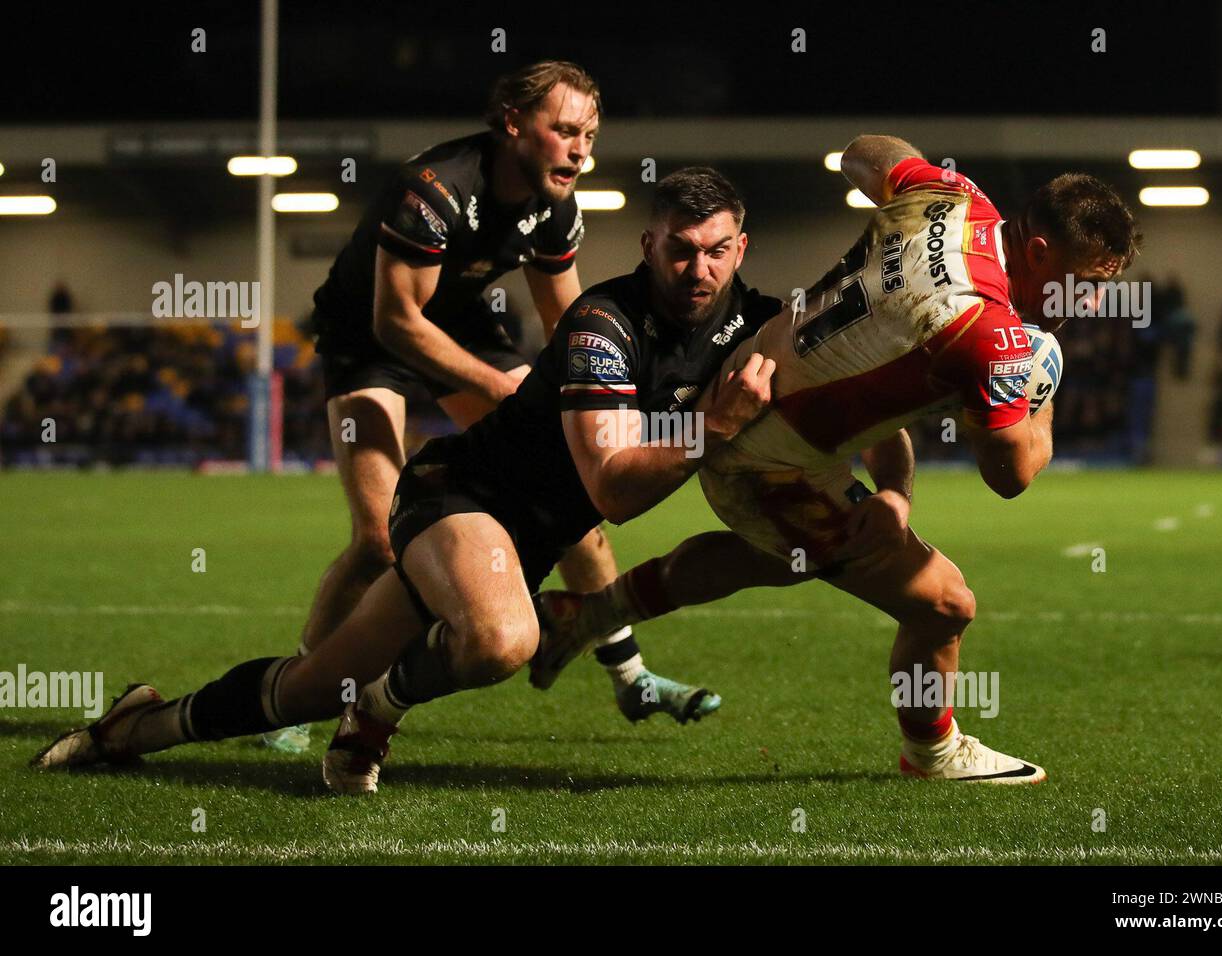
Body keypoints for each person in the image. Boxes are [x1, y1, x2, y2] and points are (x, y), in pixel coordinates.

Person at [32, 168, 784, 795]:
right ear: (650, 244)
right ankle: (381, 709)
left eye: (718, 252)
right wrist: (712, 428)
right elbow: (616, 491)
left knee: (314, 686)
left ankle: (133, 727)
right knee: (501, 638)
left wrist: (883, 483)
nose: (699, 270)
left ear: (741, 247)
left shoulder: (760, 321)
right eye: (681, 251)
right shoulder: (603, 324)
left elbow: (855, 368)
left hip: (526, 541)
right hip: (458, 495)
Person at [531, 136, 1143, 783]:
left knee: (785, 557)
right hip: (769, 467)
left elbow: (866, 151)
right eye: (1089, 284)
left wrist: (897, 494)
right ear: (1041, 252)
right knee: (944, 605)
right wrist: (1042, 393)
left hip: (745, 389)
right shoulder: (988, 338)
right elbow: (1011, 476)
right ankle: (932, 753)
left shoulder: (953, 198)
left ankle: (589, 613)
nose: (1092, 304)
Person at [268, 60, 716, 751]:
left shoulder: (556, 206)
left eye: (589, 134)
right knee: (377, 540)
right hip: (371, 342)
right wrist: (503, 386)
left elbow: (573, 324)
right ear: (512, 123)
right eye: (565, 129)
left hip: (462, 327)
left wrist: (604, 400)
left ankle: (632, 678)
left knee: (571, 488)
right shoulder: (435, 189)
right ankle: (298, 700)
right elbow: (397, 325)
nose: (581, 148)